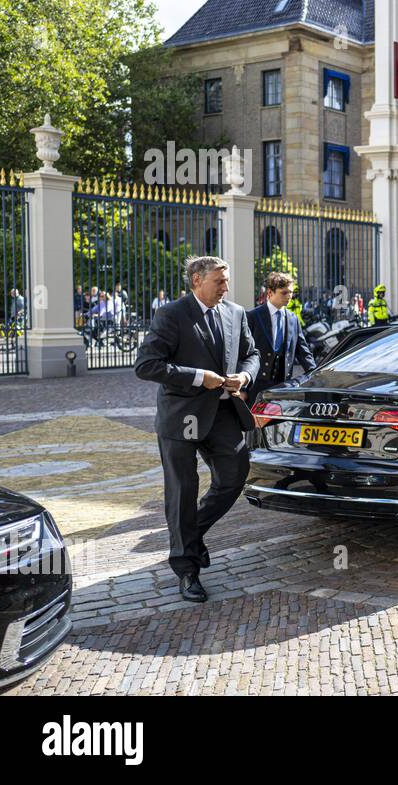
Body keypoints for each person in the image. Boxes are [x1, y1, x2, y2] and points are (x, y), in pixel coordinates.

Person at [133, 256, 259, 604]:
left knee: (235, 475)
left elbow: (253, 354)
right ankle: (187, 570)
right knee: (182, 492)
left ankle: (191, 535)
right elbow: (147, 366)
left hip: (222, 413)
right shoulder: (171, 314)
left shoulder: (235, 313)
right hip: (181, 416)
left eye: (227, 280)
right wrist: (197, 377)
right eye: (219, 281)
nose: (226, 287)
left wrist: (245, 375)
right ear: (196, 280)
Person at [247, 271, 316, 407]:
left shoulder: (293, 318)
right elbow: (243, 352)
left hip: (282, 385)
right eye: (284, 293)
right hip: (256, 384)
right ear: (270, 293)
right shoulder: (253, 316)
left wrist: (315, 373)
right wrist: (243, 386)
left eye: (290, 292)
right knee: (253, 424)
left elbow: (302, 351)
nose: (289, 296)